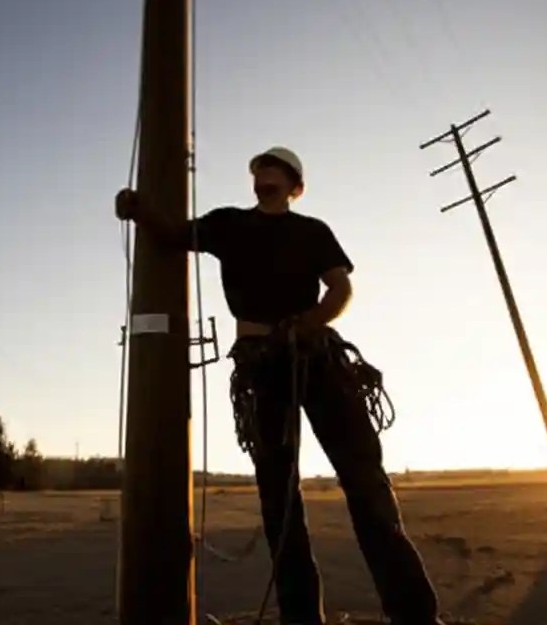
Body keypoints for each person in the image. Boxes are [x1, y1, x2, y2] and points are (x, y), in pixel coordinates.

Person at [115, 146, 443, 625]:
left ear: (295, 185)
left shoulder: (313, 231)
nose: (265, 174)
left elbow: (340, 288)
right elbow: (176, 233)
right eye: (259, 169)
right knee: (279, 499)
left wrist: (309, 321)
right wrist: (139, 209)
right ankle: (301, 618)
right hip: (260, 367)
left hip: (317, 360)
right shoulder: (228, 224)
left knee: (366, 483)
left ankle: (415, 616)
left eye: (277, 169)